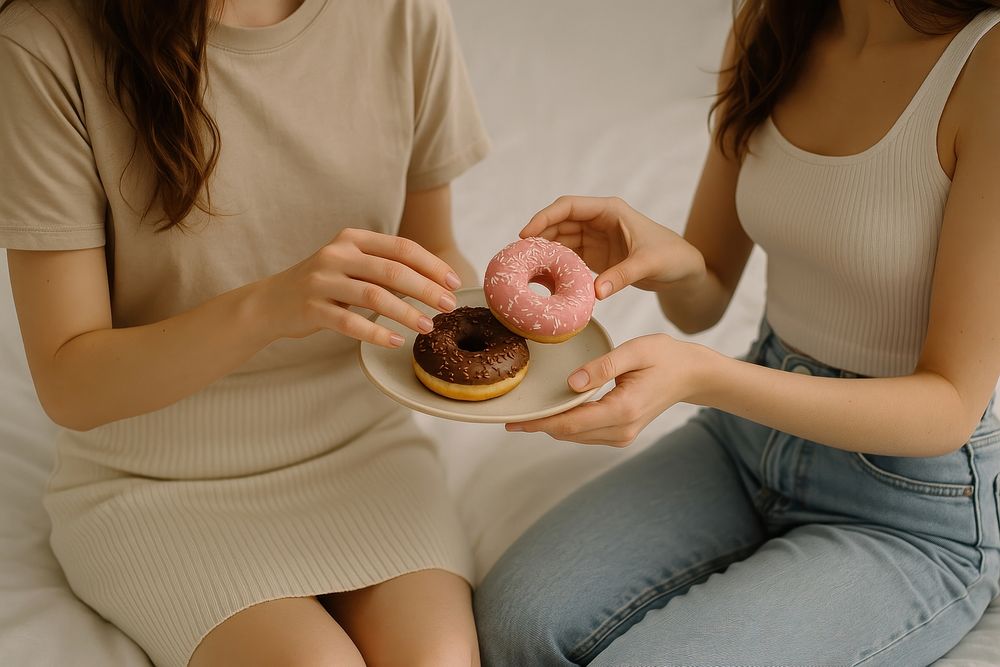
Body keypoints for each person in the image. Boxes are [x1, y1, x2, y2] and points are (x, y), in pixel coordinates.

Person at [474, 0, 1000, 665]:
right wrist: (670, 260)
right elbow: (706, 295)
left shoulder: (988, 67)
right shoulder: (771, 21)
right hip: (747, 441)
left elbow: (950, 405)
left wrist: (704, 377)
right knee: (511, 624)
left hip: (905, 507)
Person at [0, 0, 489, 665]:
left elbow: (433, 260)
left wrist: (523, 335)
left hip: (362, 449)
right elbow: (68, 381)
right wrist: (267, 308)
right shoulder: (40, 44)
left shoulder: (403, 12)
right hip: (154, 481)